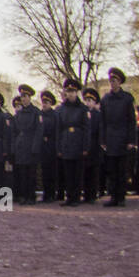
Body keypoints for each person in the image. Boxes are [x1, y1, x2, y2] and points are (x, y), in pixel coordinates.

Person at [99, 67, 137, 207]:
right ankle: (113, 196)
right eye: (111, 81)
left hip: (123, 138)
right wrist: (102, 140)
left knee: (122, 170)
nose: (112, 83)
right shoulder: (105, 99)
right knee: (112, 170)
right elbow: (102, 121)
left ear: (120, 82)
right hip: (110, 138)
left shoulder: (127, 99)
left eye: (114, 80)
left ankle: (121, 197)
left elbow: (131, 120)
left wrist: (131, 140)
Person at [55, 78, 88, 206]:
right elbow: (58, 129)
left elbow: (86, 129)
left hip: (78, 142)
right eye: (68, 91)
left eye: (73, 91)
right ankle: (69, 197)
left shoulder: (83, 109)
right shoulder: (61, 109)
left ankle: (76, 197)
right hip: (66, 142)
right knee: (68, 173)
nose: (71, 94)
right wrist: (58, 147)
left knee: (77, 172)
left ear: (77, 92)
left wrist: (85, 146)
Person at [10, 84, 41, 205]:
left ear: (30, 97)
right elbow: (14, 132)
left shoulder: (36, 113)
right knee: (22, 173)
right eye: (22, 96)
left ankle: (31, 196)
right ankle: (24, 195)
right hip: (21, 147)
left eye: (26, 96)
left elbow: (39, 131)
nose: (23, 99)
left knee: (31, 173)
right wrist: (14, 147)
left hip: (31, 146)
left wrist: (35, 147)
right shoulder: (18, 114)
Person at [37, 90, 59, 203]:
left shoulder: (55, 115)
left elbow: (57, 131)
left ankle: (51, 194)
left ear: (51, 103)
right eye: (43, 102)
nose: (44, 104)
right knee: (44, 172)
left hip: (52, 145)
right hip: (42, 147)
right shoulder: (39, 115)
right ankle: (46, 194)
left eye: (47, 102)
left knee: (52, 172)